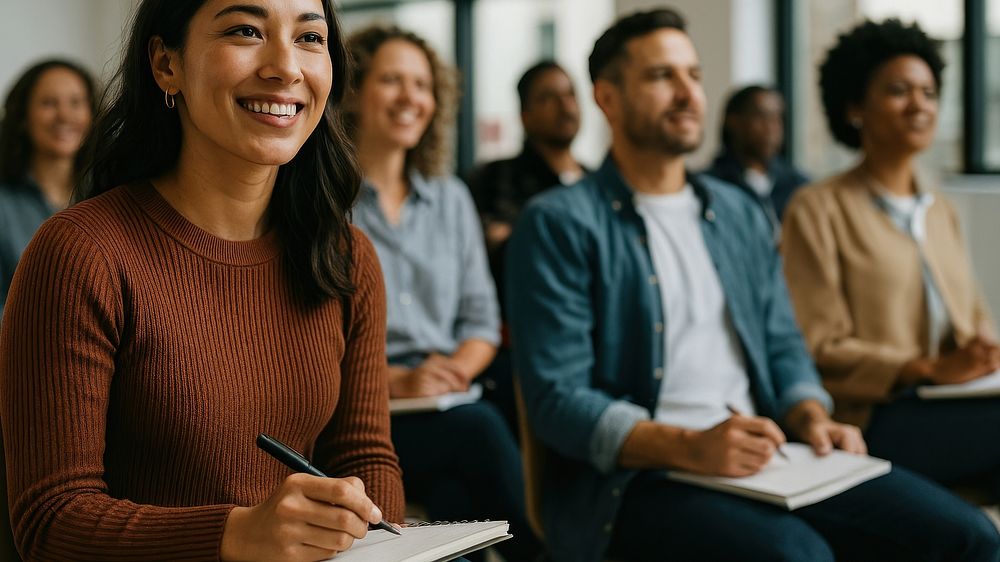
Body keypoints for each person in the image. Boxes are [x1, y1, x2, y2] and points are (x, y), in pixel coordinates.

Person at [507, 8, 1000, 562]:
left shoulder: (739, 212)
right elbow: (557, 399)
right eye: (661, 76)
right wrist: (690, 445)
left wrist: (813, 416)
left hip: (768, 458)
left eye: (692, 75)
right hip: (638, 479)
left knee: (971, 538)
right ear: (607, 98)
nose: (688, 93)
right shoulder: (558, 222)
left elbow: (783, 343)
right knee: (799, 556)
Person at [0, 1, 404, 560]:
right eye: (245, 30)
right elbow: (51, 522)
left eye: (310, 38)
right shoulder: (79, 253)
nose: (286, 66)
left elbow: (365, 459)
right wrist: (238, 533)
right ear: (166, 64)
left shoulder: (344, 256)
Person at [345, 25, 543, 562]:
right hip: (364, 414)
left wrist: (452, 371)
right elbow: (306, 345)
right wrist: (398, 380)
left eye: (422, 84)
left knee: (459, 497)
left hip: (446, 401)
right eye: (392, 80)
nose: (411, 97)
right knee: (479, 431)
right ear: (355, 92)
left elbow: (481, 321)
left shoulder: (452, 198)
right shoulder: (325, 200)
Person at [782, 19, 1000, 497]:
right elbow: (816, 346)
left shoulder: (940, 209)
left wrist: (983, 355)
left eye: (928, 91)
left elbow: (977, 321)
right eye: (899, 91)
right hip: (869, 417)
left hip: (952, 404)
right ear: (856, 107)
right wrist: (923, 368)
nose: (919, 104)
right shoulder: (818, 208)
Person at [464, 60, 587, 431]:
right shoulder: (495, 178)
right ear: (526, 115)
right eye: (549, 98)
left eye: (570, 95)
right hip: (518, 344)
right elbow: (497, 261)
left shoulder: (596, 184)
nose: (565, 105)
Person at [0, 59, 96, 316]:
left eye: (76, 103)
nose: (65, 115)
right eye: (49, 103)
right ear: (22, 118)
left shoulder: (109, 194)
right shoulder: (3, 204)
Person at [703, 85, 809, 232]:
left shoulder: (799, 186)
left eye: (777, 118)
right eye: (761, 117)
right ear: (733, 121)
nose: (772, 128)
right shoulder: (707, 187)